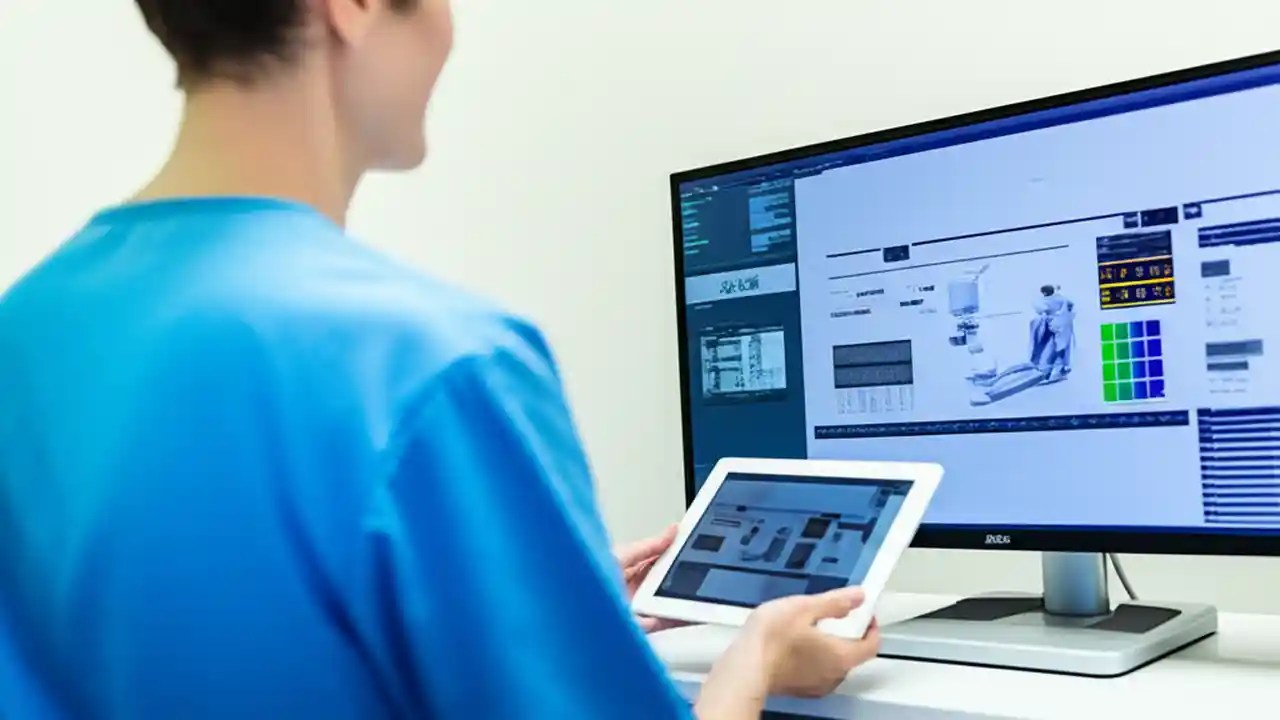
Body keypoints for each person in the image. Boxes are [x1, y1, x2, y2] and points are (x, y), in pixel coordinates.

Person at [0, 1, 882, 718]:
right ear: (350, 8)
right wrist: (755, 659)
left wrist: (557, 608)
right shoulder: (436, 362)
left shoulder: (27, 326)